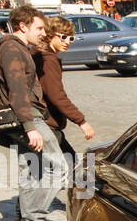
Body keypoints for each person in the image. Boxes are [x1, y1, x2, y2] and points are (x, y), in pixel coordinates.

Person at [0, 5, 65, 221]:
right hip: (27, 117)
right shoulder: (13, 50)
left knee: (32, 170)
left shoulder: (14, 48)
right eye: (39, 28)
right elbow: (17, 90)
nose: (43, 33)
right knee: (58, 167)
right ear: (23, 26)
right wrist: (30, 126)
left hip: (22, 119)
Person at [35, 16, 95, 168]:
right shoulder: (47, 60)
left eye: (70, 38)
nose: (67, 41)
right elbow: (56, 95)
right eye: (62, 37)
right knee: (71, 167)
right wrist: (81, 121)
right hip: (46, 123)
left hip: (43, 122)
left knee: (43, 171)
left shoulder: (41, 53)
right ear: (50, 34)